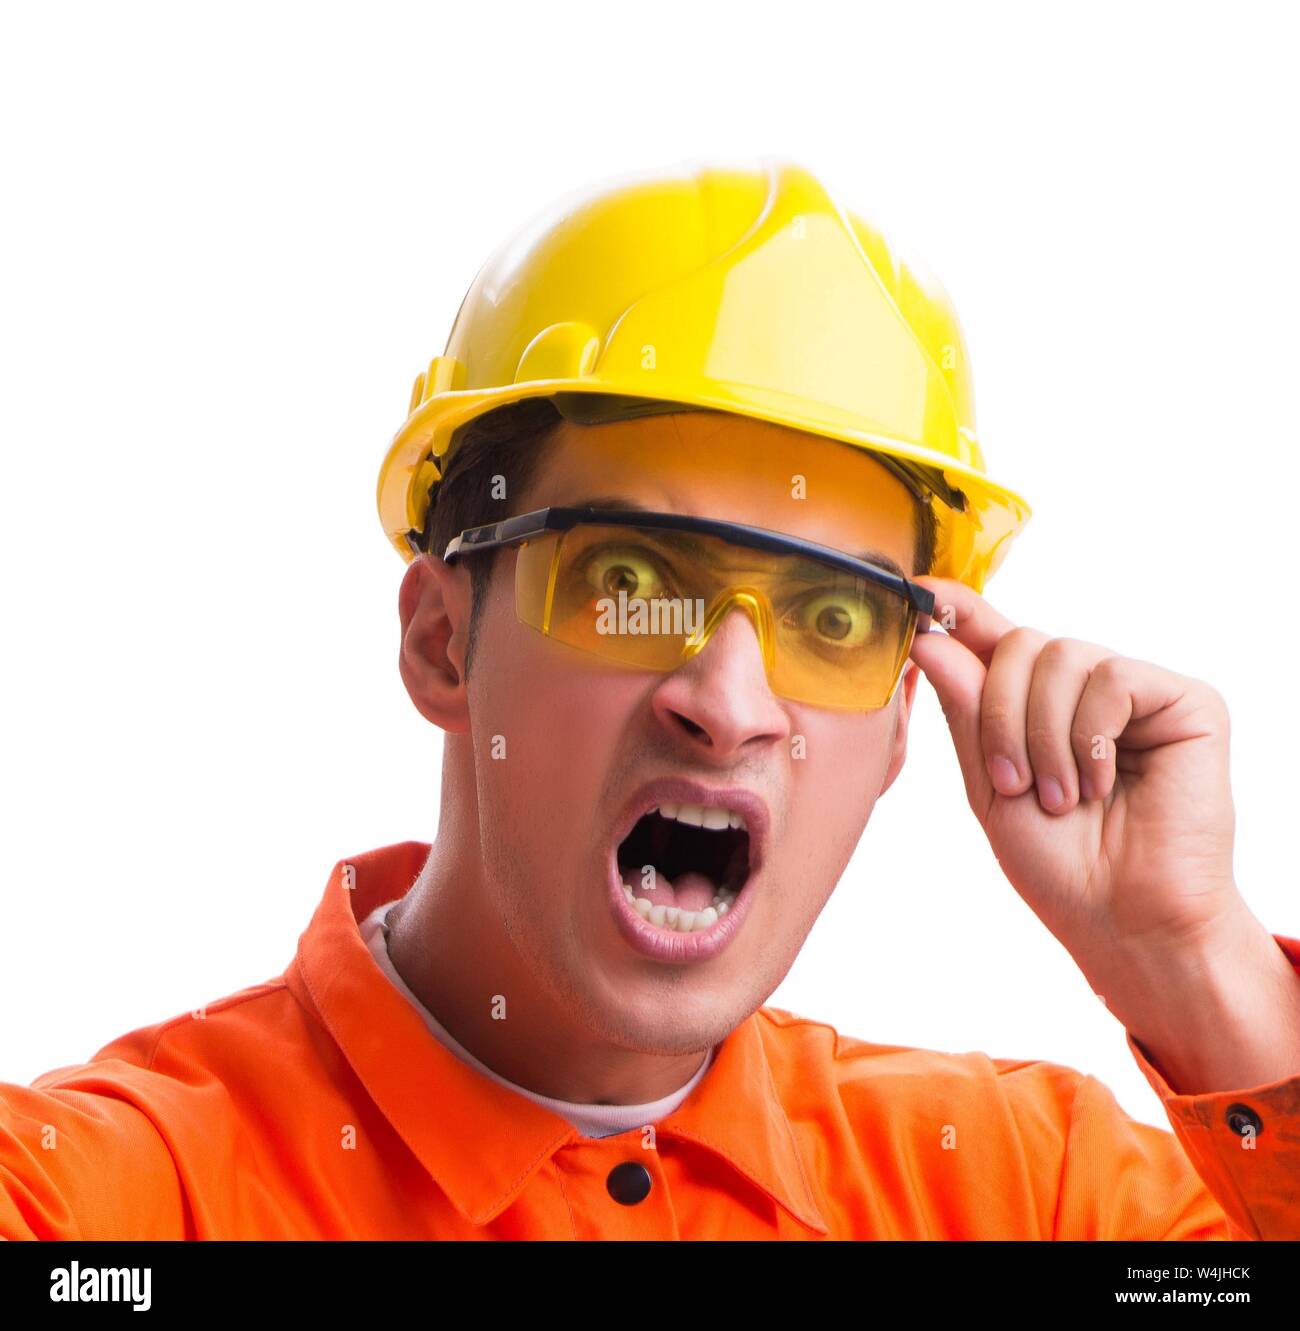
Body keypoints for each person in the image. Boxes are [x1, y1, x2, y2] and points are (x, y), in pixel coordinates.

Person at [3, 159, 1298, 1240]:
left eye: (832, 617)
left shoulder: (1031, 1194)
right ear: (445, 642)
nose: (727, 702)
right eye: (630, 579)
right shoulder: (100, 1202)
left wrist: (1192, 965)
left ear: (906, 722)